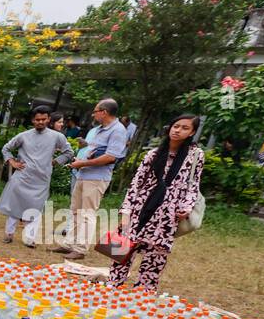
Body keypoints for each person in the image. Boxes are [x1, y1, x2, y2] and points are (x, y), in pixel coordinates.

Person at [108, 114, 204, 293]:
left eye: (185, 128)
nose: (178, 131)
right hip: (140, 208)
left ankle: (143, 294)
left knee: (156, 256)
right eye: (176, 126)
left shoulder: (195, 156)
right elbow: (136, 183)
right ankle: (112, 286)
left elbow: (193, 185)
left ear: (192, 133)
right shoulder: (153, 154)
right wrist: (126, 212)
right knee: (122, 250)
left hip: (167, 214)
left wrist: (187, 206)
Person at [0, 105, 75, 247]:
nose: (40, 122)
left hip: (42, 180)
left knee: (36, 209)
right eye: (37, 119)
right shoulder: (23, 136)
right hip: (22, 177)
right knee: (15, 206)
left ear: (49, 119)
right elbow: (6, 148)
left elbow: (69, 153)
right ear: (33, 120)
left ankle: (29, 239)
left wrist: (56, 161)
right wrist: (12, 162)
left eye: (43, 119)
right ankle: (9, 234)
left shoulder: (57, 136)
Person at [60, 97, 127, 260]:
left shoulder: (118, 130)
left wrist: (84, 162)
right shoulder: (96, 130)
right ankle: (69, 244)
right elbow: (89, 151)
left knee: (87, 213)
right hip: (82, 174)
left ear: (104, 112)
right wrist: (81, 158)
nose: (93, 114)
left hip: (97, 177)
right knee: (75, 210)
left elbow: (111, 157)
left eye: (95, 111)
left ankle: (80, 249)